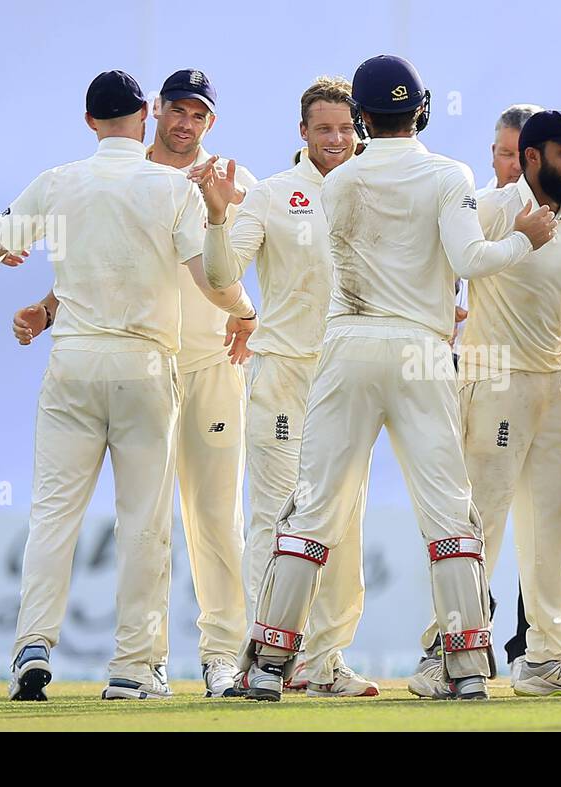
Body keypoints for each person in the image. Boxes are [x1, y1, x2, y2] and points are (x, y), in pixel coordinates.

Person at [235, 54, 554, 702]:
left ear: (361, 119)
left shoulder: (339, 182)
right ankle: (466, 667)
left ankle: (269, 663)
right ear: (423, 109)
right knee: (447, 510)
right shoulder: (447, 174)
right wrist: (524, 237)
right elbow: (469, 258)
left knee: (313, 508)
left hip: (347, 346)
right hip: (419, 351)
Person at [0, 70, 257, 701]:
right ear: (146, 114)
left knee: (53, 514)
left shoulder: (59, 181)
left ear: (88, 121)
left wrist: (9, 249)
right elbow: (211, 274)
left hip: (74, 364)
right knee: (143, 522)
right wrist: (243, 308)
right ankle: (133, 667)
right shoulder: (170, 189)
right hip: (144, 369)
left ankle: (32, 646)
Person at [412, 111, 561, 697]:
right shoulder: (493, 207)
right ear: (531, 157)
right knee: (481, 522)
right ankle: (444, 654)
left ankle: (547, 659)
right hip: (493, 381)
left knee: (555, 524)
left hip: (553, 385)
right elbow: (450, 264)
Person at [194, 76, 379, 697]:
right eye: (324, 128)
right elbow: (221, 272)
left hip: (351, 379)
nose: (337, 140)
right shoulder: (272, 195)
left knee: (343, 521)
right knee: (276, 519)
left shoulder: (375, 189)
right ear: (302, 133)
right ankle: (268, 654)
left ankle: (327, 661)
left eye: (346, 128)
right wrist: (218, 216)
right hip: (285, 376)